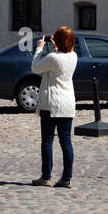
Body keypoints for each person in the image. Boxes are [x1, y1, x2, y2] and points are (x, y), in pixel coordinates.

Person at [31, 26, 77, 188]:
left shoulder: (52, 57)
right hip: (67, 103)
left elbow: (35, 67)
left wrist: (39, 48)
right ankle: (66, 178)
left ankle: (46, 176)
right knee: (66, 142)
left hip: (52, 103)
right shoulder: (74, 56)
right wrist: (57, 48)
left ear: (56, 41)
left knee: (48, 141)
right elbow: (61, 58)